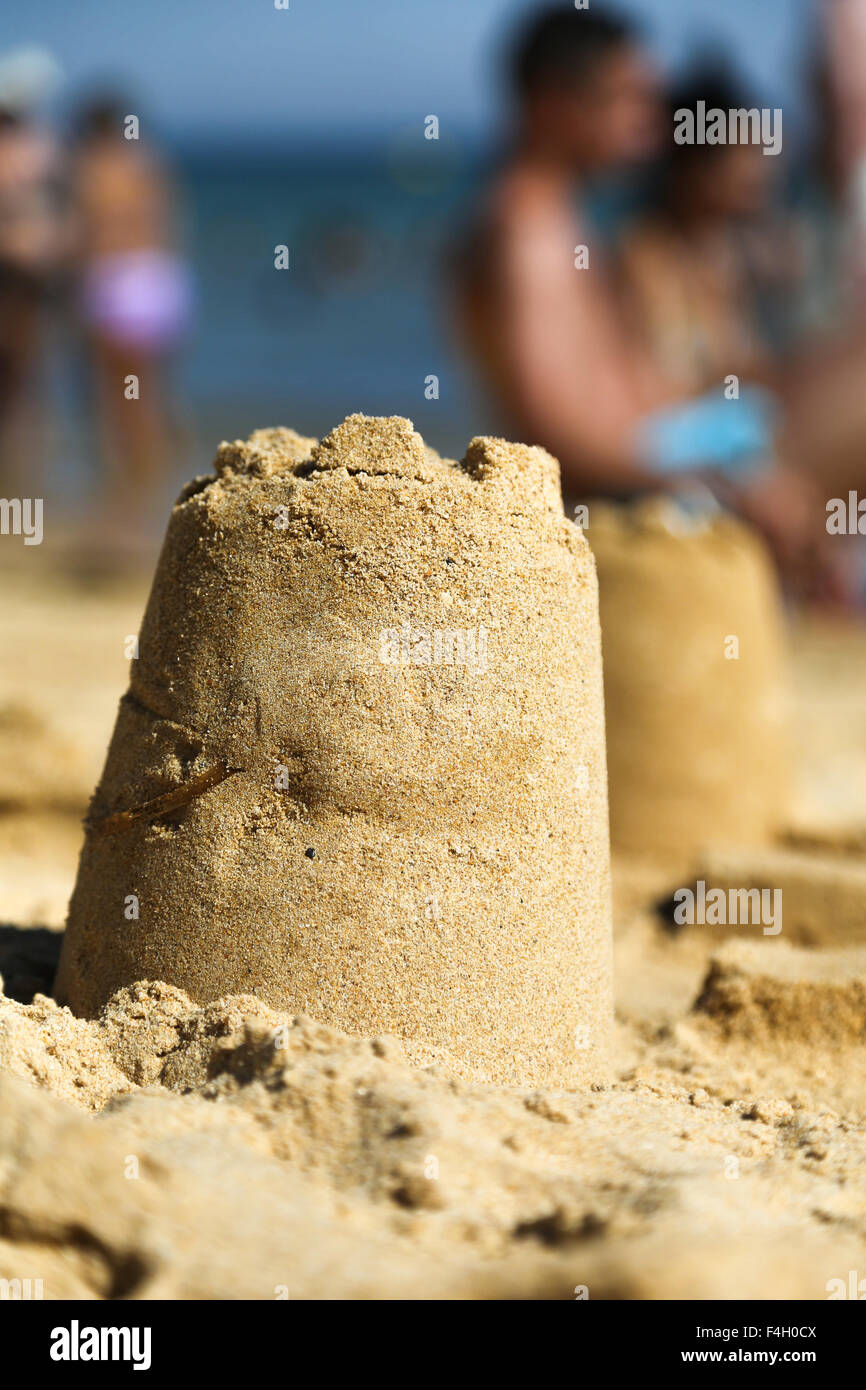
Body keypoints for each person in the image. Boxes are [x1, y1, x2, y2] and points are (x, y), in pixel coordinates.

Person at [453, 5, 820, 583]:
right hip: (611, 505)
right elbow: (557, 438)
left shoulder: (555, 222)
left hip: (639, 476)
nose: (648, 119)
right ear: (554, 103)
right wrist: (716, 479)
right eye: (625, 96)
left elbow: (624, 391)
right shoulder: (526, 238)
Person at [70, 95, 191, 536]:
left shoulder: (90, 167)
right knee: (151, 396)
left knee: (117, 403)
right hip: (162, 281)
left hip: (116, 284)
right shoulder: (149, 162)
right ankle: (158, 496)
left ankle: (128, 506)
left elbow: (87, 234)